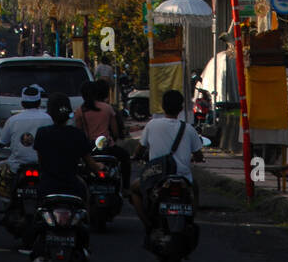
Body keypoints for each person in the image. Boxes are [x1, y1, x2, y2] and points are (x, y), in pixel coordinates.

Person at [129, 89, 203, 232]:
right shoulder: (188, 129)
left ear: (162, 106)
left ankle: (148, 225)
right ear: (181, 109)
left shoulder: (152, 125)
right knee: (195, 189)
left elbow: (140, 149)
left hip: (156, 177)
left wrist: (135, 156)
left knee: (134, 190)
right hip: (183, 178)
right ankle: (191, 220)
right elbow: (198, 155)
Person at [33, 91, 103, 200]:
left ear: (50, 113)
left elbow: (40, 160)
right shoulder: (77, 134)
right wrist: (99, 168)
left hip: (48, 185)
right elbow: (89, 162)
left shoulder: (42, 133)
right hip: (72, 185)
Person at [0, 85, 52, 197]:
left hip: (17, 165)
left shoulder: (13, 120)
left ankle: (6, 202)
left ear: (22, 103)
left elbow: (2, 142)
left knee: (0, 171)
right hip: (43, 165)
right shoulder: (48, 119)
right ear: (39, 102)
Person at [77, 79, 131, 190]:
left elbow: (79, 134)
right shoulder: (107, 108)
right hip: (108, 148)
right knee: (125, 157)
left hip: (90, 150)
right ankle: (126, 188)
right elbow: (115, 132)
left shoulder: (80, 111)